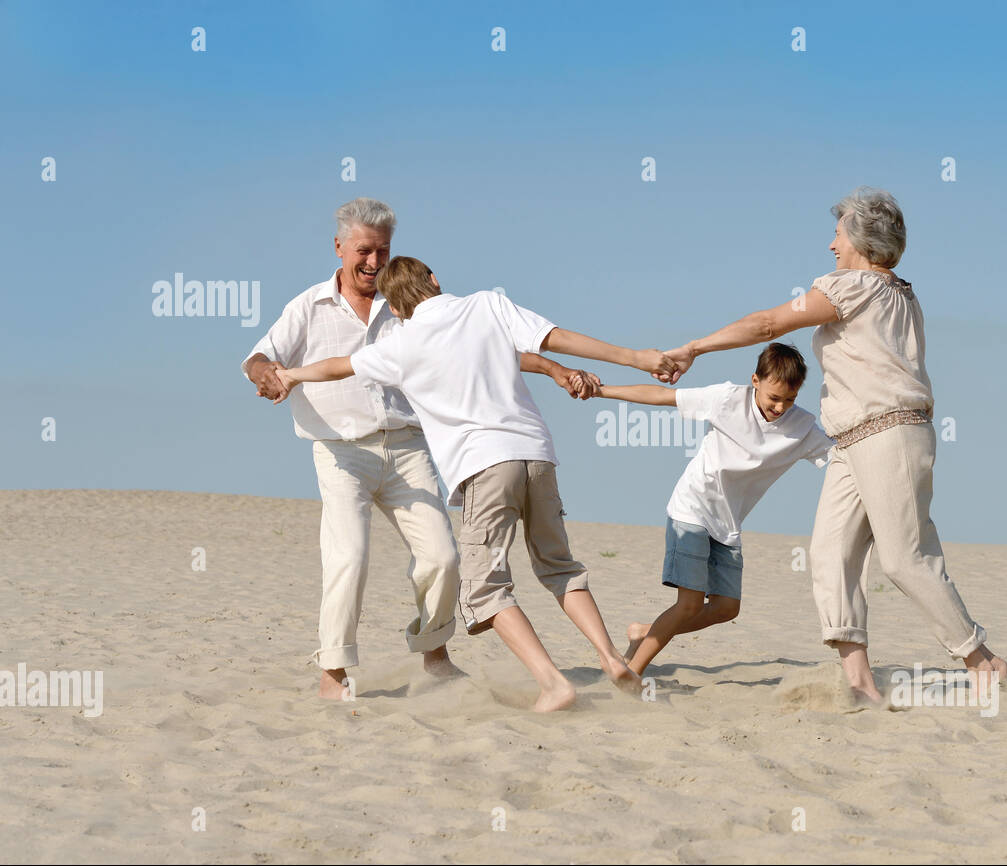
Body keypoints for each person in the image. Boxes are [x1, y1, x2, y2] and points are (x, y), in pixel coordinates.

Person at [273, 256, 675, 712]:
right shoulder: (487, 305)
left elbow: (338, 367)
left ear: (395, 308)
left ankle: (553, 684)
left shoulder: (401, 344)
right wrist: (635, 357)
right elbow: (555, 337)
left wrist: (291, 375)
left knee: (485, 588)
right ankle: (612, 658)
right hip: (537, 454)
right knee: (559, 567)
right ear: (433, 279)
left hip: (485, 466)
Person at [660, 188, 1007, 705]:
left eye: (839, 234)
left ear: (862, 241)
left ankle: (981, 660)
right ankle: (859, 682)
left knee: (904, 559)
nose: (831, 245)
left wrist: (694, 347)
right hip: (852, 441)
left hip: (889, 433)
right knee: (830, 554)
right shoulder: (897, 293)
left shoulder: (854, 286)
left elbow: (768, 324)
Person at [242, 198, 596, 700]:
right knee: (349, 556)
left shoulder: (404, 304)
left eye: (383, 251)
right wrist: (266, 374)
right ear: (339, 247)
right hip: (341, 453)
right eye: (364, 251)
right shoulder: (308, 306)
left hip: (408, 448)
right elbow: (260, 356)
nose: (373, 262)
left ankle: (434, 654)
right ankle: (334, 673)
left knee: (443, 558)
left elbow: (483, 347)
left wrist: (554, 368)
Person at [593, 343, 833, 675]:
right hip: (692, 508)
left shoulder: (802, 427)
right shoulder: (726, 399)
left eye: (789, 400)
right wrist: (601, 391)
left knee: (726, 608)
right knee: (689, 604)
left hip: (728, 523)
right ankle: (633, 672)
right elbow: (662, 397)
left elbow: (841, 457)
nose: (780, 407)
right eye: (774, 398)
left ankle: (645, 632)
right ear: (755, 380)